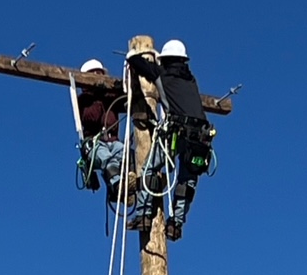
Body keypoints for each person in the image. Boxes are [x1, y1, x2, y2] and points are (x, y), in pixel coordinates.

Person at [131, 39, 214, 241]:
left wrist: (137, 54)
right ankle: (176, 224)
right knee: (187, 182)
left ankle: (143, 215)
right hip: (200, 139)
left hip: (176, 132)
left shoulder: (162, 74)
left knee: (150, 168)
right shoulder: (191, 80)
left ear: (166, 59)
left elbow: (137, 63)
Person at [74, 58, 126, 202]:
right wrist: (98, 97)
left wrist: (122, 88)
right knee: (106, 159)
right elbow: (91, 118)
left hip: (113, 140)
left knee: (125, 156)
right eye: (94, 73)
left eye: (100, 73)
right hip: (95, 142)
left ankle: (126, 186)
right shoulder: (84, 99)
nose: (98, 75)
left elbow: (127, 102)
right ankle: (118, 187)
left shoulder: (110, 97)